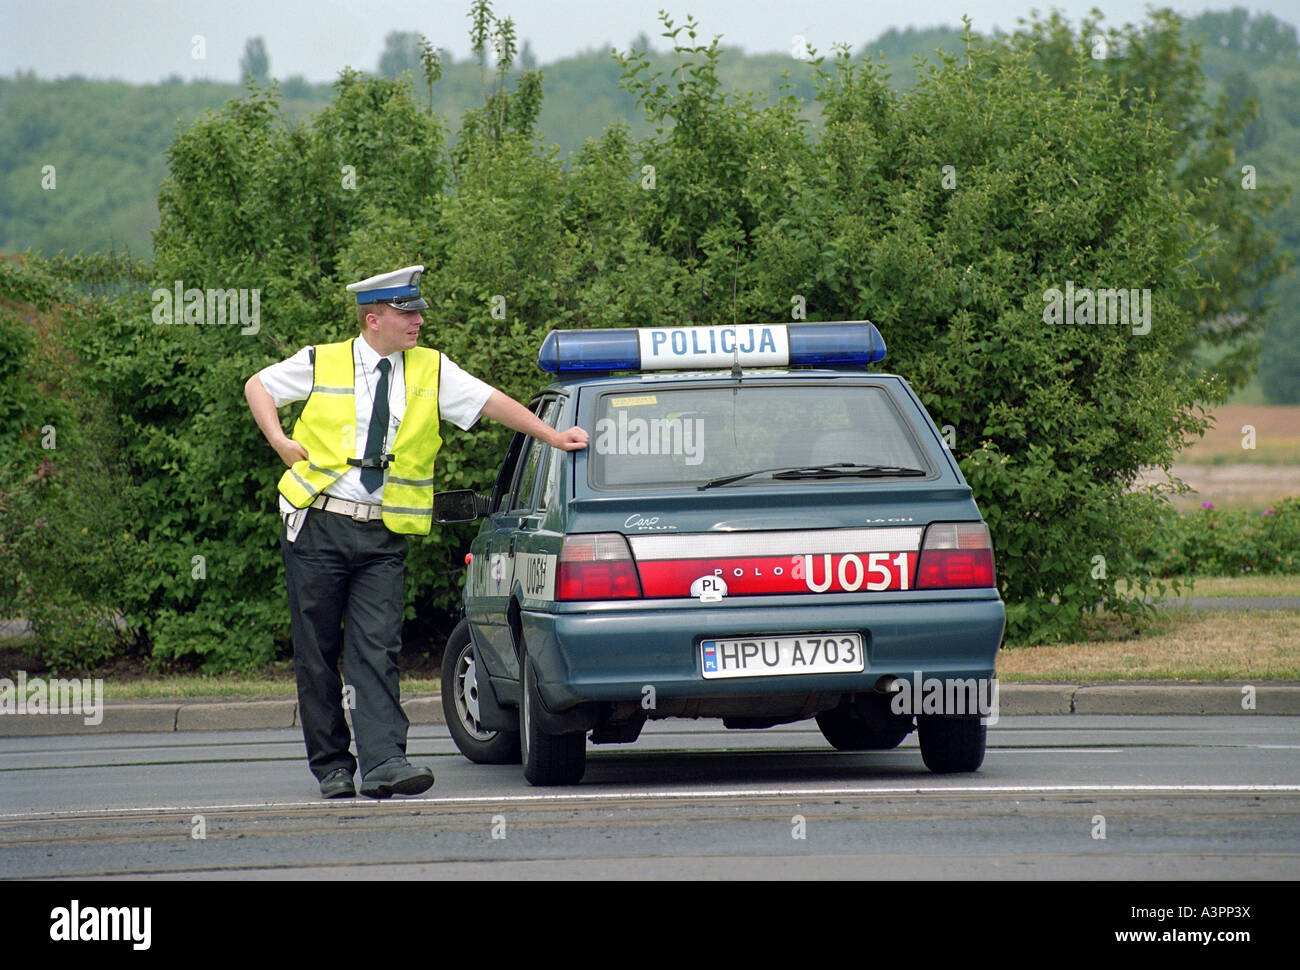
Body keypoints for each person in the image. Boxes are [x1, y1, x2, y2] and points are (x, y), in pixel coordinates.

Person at [243, 265, 587, 799]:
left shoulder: (430, 368)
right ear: (374, 318)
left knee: (377, 648)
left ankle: (384, 761)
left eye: (418, 311)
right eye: (408, 312)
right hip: (317, 523)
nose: (419, 320)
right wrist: (280, 441)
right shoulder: (323, 359)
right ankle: (333, 766)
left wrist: (551, 436)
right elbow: (257, 386)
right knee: (317, 650)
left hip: (383, 533)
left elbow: (490, 401)